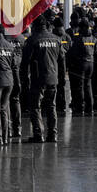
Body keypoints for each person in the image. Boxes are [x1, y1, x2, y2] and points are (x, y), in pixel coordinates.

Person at [21, 15, 66, 143]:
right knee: (51, 106)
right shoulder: (56, 40)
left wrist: (24, 79)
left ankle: (38, 134)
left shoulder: (32, 40)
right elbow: (62, 60)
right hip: (53, 77)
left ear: (35, 26)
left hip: (38, 78)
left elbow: (25, 62)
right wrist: (61, 78)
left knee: (35, 106)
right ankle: (53, 134)